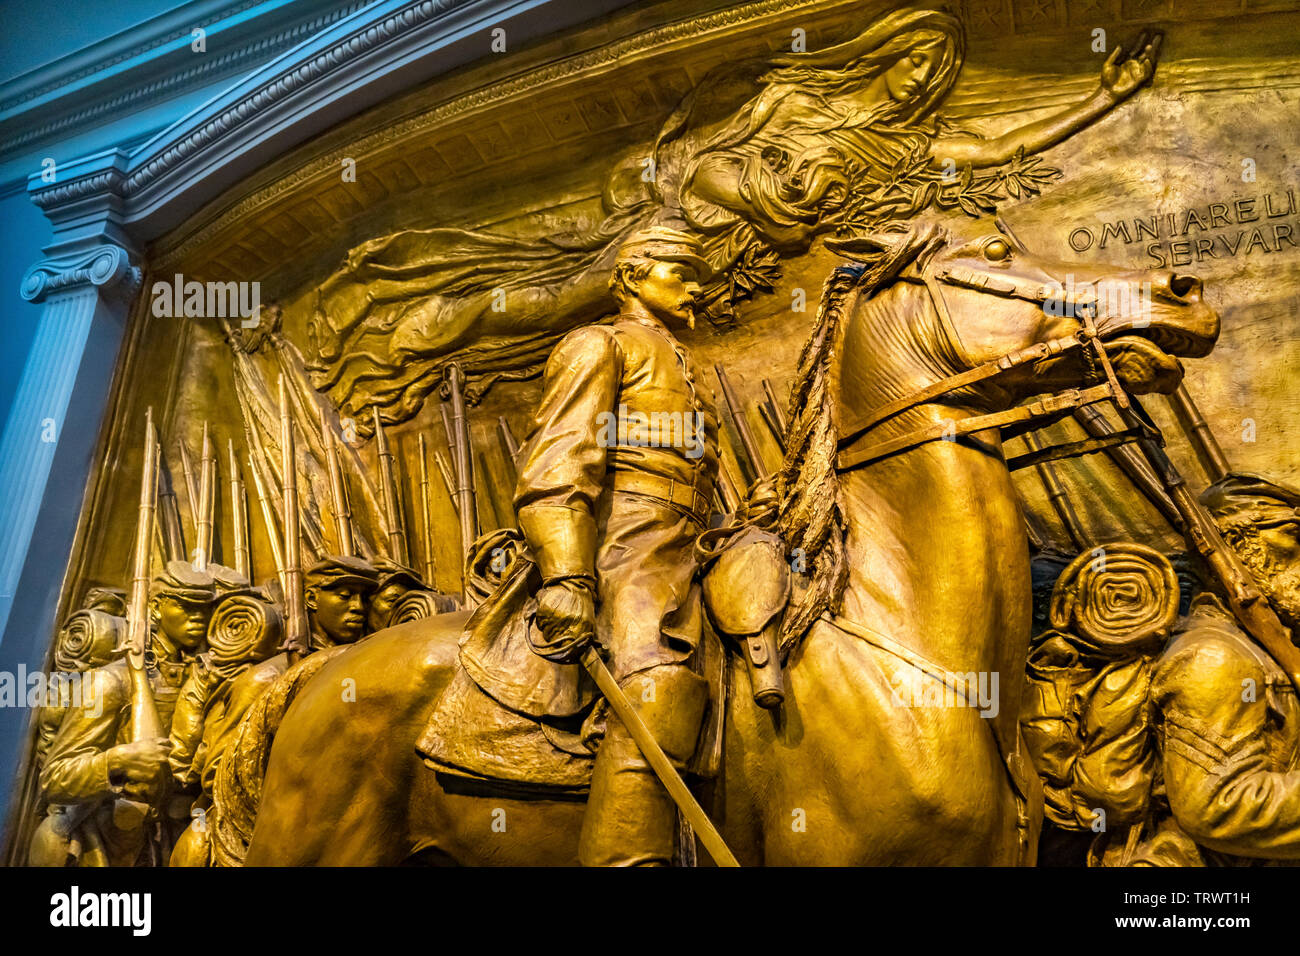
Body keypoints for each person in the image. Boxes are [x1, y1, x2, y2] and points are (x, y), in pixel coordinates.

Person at [511, 226, 719, 865]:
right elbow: (557, 466)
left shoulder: (685, 364)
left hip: (694, 540)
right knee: (653, 679)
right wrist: (569, 577)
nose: (696, 287)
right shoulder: (597, 345)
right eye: (680, 272)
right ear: (632, 276)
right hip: (629, 543)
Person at [36, 561, 216, 866]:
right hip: (103, 843)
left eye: (204, 608)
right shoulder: (110, 682)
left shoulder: (199, 677)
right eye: (185, 606)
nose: (198, 617)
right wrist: (118, 760)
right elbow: (55, 778)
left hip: (165, 839)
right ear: (157, 608)